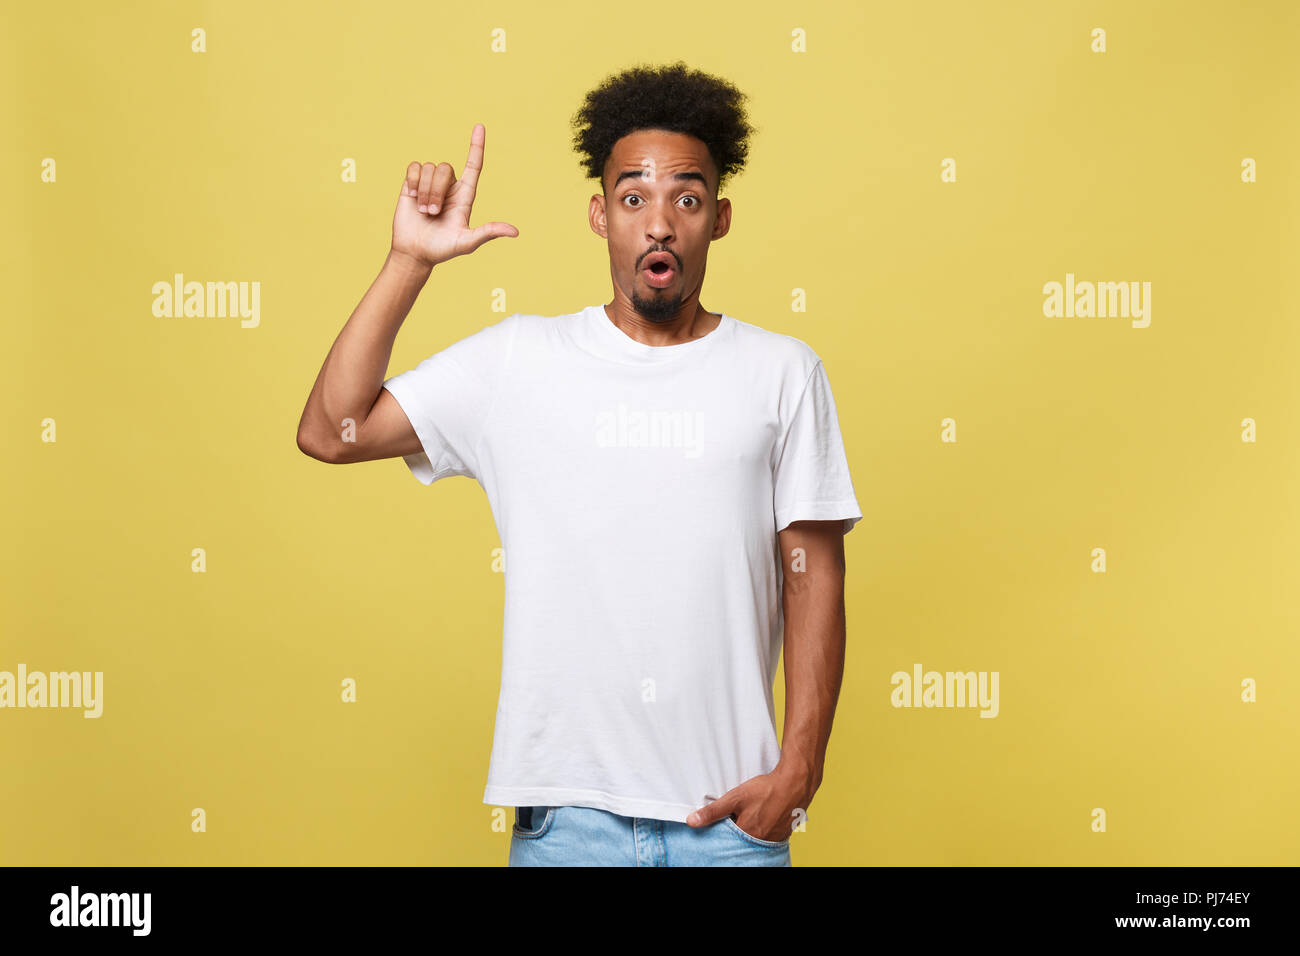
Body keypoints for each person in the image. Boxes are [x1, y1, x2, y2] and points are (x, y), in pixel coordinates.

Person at [296, 62, 862, 866]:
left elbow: (815, 576)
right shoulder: (520, 361)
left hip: (730, 827)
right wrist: (408, 262)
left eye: (686, 199)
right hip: (567, 831)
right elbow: (332, 429)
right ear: (600, 215)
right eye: (634, 198)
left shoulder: (782, 372)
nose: (659, 224)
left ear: (720, 218)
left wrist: (799, 774)